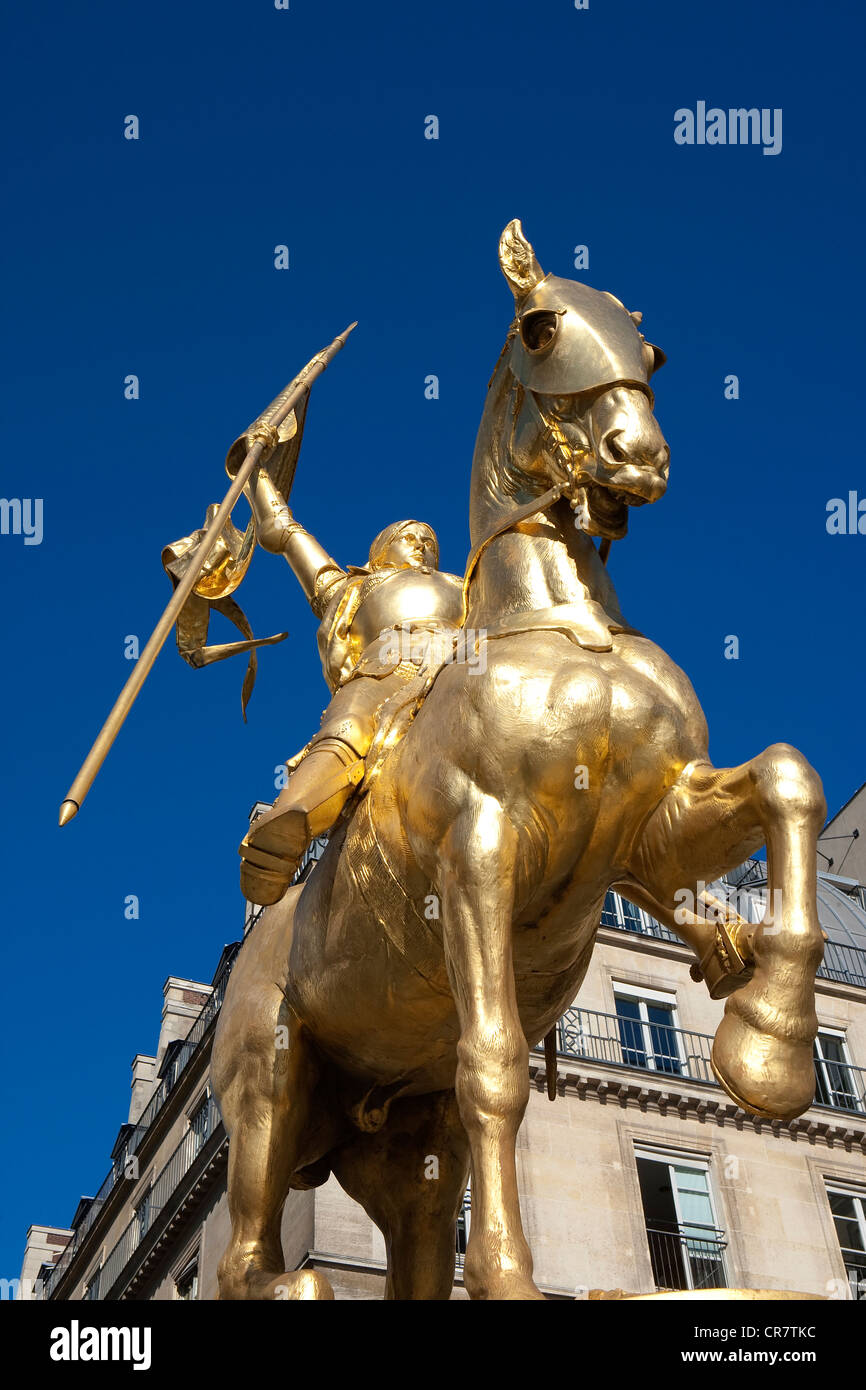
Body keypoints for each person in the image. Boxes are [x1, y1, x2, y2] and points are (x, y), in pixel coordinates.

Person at [238, 467, 464, 905]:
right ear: (381, 552)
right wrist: (256, 479)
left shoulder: (466, 586)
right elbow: (283, 533)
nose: (422, 546)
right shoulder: (354, 587)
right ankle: (292, 817)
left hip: (465, 659)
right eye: (410, 538)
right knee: (352, 722)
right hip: (390, 663)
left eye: (430, 542)